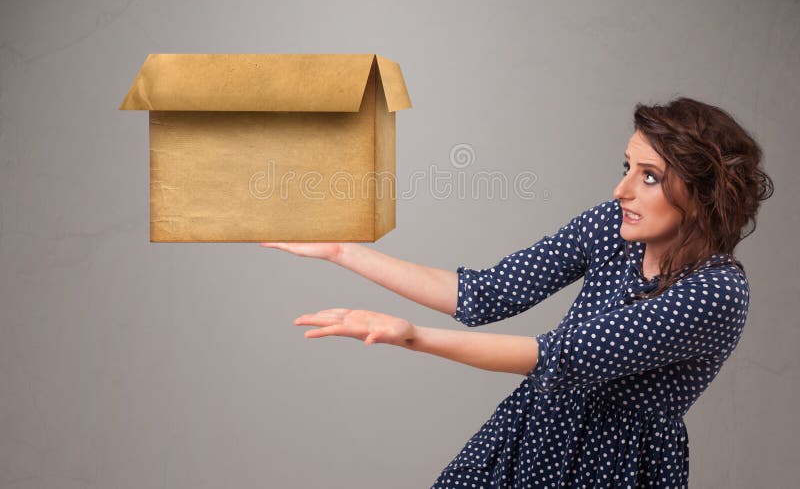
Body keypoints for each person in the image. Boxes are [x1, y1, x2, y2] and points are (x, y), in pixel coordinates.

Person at [260, 97, 773, 488]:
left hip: (613, 465)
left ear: (703, 193)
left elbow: (564, 357)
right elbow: (487, 293)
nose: (622, 190)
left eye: (650, 177)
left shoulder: (717, 292)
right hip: (533, 429)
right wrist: (343, 251)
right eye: (627, 169)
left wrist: (410, 335)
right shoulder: (613, 225)